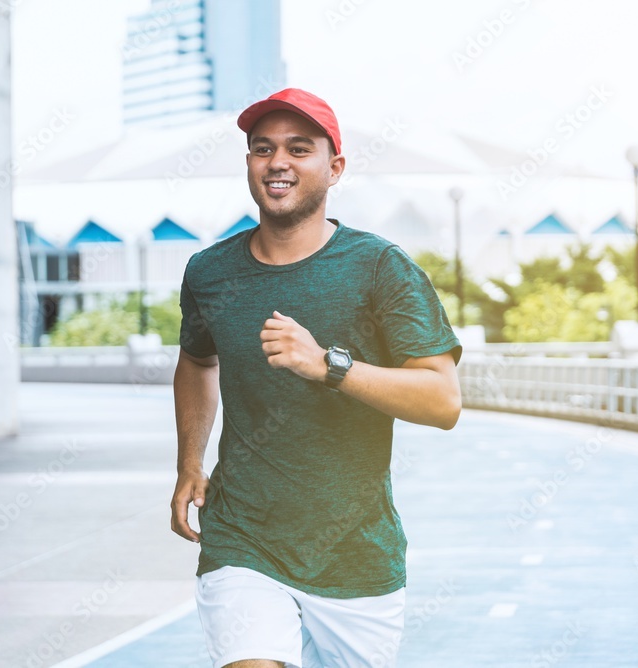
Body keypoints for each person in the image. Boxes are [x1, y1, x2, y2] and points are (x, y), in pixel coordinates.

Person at [171, 88, 463, 668]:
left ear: (334, 168)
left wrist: (329, 366)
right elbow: (197, 361)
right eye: (262, 148)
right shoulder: (209, 272)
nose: (277, 161)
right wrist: (188, 464)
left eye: (299, 149)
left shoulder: (381, 267)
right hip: (241, 533)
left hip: (356, 554)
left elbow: (443, 400)